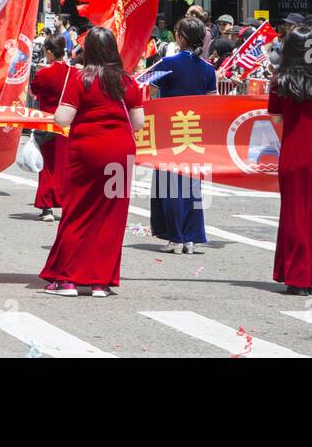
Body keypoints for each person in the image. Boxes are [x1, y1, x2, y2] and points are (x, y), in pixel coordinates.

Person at [40, 26, 143, 298]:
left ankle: (69, 280)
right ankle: (101, 282)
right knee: (112, 216)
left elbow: (62, 119)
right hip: (121, 151)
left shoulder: (80, 78)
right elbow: (138, 123)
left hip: (87, 151)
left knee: (78, 211)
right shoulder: (128, 81)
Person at [267, 26, 312, 296]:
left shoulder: (280, 80)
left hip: (294, 153)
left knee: (295, 214)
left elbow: (276, 119)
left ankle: (297, 277)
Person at [149, 16, 216, 254]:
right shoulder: (208, 69)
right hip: (195, 132)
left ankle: (174, 237)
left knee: (169, 186)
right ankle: (190, 237)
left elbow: (150, 88)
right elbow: (212, 104)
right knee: (192, 186)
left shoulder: (167, 63)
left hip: (169, 130)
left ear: (180, 37)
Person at [28, 33, 72, 222]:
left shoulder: (44, 73)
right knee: (66, 166)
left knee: (46, 165)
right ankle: (66, 206)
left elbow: (33, 90)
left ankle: (47, 208)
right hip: (69, 125)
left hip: (48, 121)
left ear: (49, 52)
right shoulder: (74, 73)